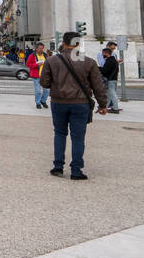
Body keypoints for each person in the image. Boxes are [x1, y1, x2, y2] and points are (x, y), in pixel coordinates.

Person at [38, 32, 107, 179]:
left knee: (60, 133)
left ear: (63, 42)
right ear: (78, 44)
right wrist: (102, 104)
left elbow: (43, 83)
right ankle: (76, 170)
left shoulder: (51, 60)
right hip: (80, 103)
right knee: (78, 138)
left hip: (58, 102)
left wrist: (57, 85)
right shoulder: (88, 62)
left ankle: (58, 167)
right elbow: (98, 86)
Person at [27, 42, 49, 109]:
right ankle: (38, 103)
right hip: (36, 76)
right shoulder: (32, 55)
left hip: (45, 76)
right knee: (38, 91)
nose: (41, 50)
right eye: (40, 48)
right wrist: (36, 65)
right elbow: (28, 64)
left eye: (42, 48)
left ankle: (43, 101)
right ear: (36, 48)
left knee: (47, 91)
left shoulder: (45, 55)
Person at [100, 46, 122, 114]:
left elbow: (104, 71)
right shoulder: (113, 61)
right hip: (113, 79)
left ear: (106, 53)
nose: (102, 55)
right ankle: (105, 107)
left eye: (103, 53)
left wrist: (97, 68)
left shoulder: (109, 61)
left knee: (112, 94)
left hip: (110, 80)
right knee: (109, 95)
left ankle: (115, 108)